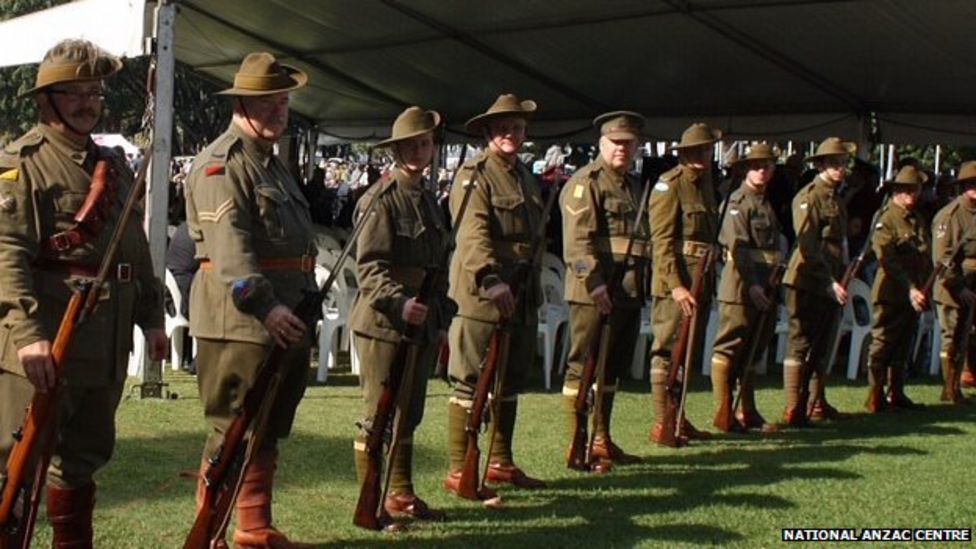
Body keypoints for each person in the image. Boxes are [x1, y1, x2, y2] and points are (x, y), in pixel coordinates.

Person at [0, 39, 166, 546]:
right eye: (73, 92)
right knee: (16, 468)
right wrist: (27, 335)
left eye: (93, 92)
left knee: (80, 465)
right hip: (46, 343)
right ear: (46, 101)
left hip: (105, 345)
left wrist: (152, 315)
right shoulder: (22, 163)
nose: (86, 103)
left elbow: (133, 250)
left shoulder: (112, 166)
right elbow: (5, 253)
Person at [184, 52, 315, 548]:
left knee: (266, 428)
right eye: (269, 102)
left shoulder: (272, 164)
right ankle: (209, 535)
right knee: (232, 428)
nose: (279, 111)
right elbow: (231, 252)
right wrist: (267, 306)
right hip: (240, 321)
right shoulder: (222, 164)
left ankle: (253, 528)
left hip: (282, 315)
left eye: (282, 101)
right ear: (241, 102)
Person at [349, 107, 452, 529]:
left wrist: (440, 315)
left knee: (409, 412)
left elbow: (440, 265)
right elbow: (369, 267)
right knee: (379, 414)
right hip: (384, 321)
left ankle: (401, 493)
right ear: (395, 150)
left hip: (422, 318)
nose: (418, 151)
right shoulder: (380, 199)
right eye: (409, 144)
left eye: (424, 143)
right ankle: (371, 502)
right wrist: (398, 303)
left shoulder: (428, 199)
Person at [443, 94, 546, 498]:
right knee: (470, 379)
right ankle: (459, 468)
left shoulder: (524, 175)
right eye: (503, 127)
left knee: (511, 379)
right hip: (483, 293)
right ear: (488, 132)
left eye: (517, 127)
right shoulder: (475, 173)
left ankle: (501, 462)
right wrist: (490, 278)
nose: (511, 134)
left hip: (521, 289)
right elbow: (472, 233)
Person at [559, 111, 649, 471]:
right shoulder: (586, 182)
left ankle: (601, 438)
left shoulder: (633, 186)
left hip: (626, 289)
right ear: (601, 144)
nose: (622, 150)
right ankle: (577, 443)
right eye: (616, 143)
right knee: (583, 366)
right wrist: (594, 284)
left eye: (628, 144)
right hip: (593, 291)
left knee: (610, 368)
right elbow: (576, 246)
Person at [648, 122, 721, 446]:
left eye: (706, 149)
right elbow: (661, 242)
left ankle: (678, 416)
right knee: (667, 349)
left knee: (688, 350)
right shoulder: (670, 185)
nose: (702, 155)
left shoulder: (706, 184)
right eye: (696, 150)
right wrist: (676, 285)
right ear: (684, 154)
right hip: (675, 280)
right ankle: (662, 420)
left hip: (701, 278)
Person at [781, 138, 854, 426]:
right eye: (834, 163)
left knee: (824, 342)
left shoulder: (836, 197)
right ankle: (793, 406)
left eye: (843, 164)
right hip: (807, 278)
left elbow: (840, 242)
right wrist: (827, 281)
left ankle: (815, 401)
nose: (840, 169)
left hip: (832, 276)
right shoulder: (809, 196)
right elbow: (809, 245)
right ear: (821, 165)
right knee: (801, 342)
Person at [710, 143, 781, 433]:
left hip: (765, 282)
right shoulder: (738, 201)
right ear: (744, 170)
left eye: (766, 166)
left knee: (754, 347)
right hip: (741, 286)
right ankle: (724, 411)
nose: (762, 171)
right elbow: (738, 248)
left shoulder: (764, 202)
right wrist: (752, 285)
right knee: (730, 346)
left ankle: (747, 409)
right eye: (755, 167)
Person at [865, 166, 931, 412]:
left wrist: (922, 287)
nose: (912, 195)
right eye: (907, 191)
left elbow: (924, 254)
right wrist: (910, 288)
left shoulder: (916, 218)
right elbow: (887, 259)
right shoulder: (886, 218)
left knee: (903, 343)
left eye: (916, 190)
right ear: (897, 192)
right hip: (891, 291)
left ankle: (896, 392)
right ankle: (875, 393)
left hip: (914, 292)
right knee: (883, 342)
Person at [932, 161, 976, 404]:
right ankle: (949, 388)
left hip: (971, 283)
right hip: (951, 284)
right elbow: (942, 259)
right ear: (963, 187)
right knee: (951, 335)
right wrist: (959, 287)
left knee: (964, 336)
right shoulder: (949, 216)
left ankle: (958, 385)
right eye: (971, 184)